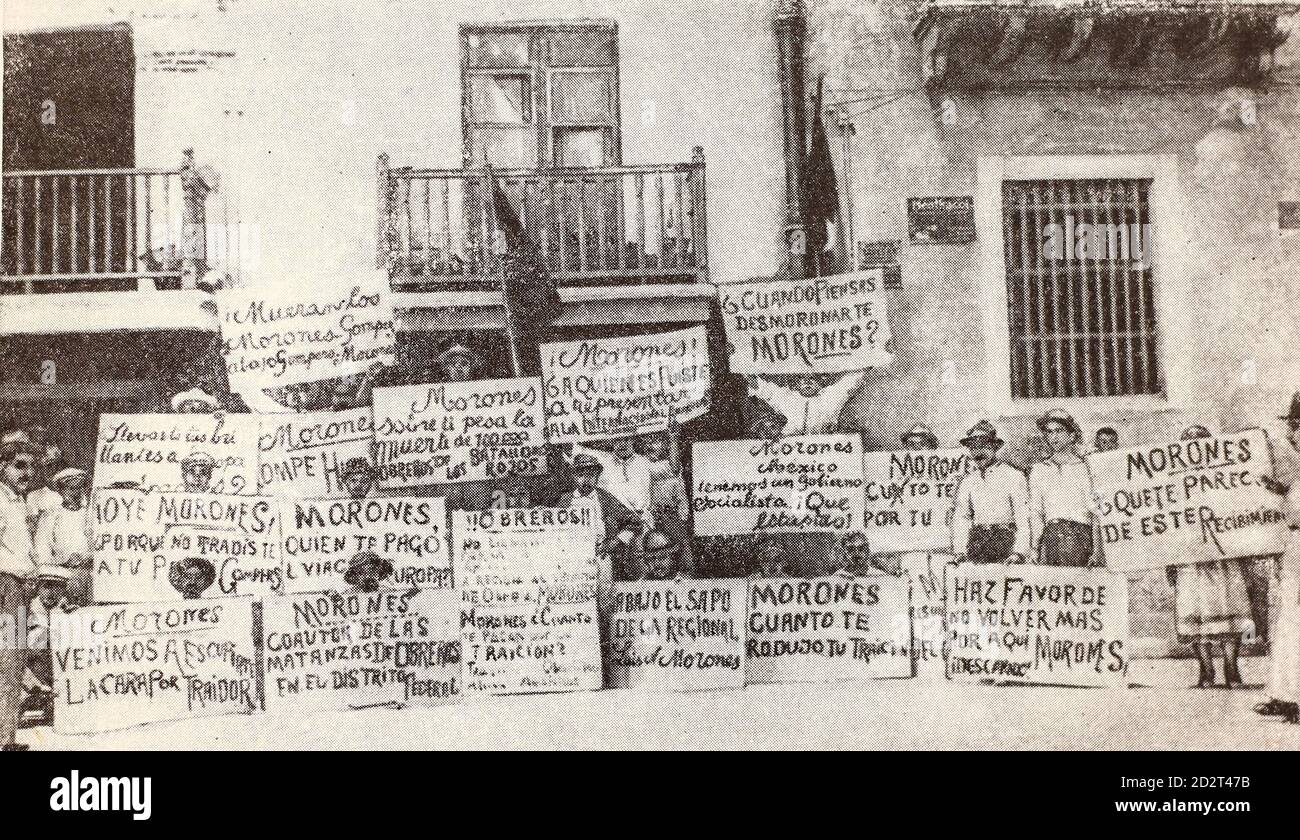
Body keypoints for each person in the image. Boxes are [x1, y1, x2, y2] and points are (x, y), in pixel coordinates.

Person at [1165, 424, 1252, 688]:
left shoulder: (1226, 479)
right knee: (1193, 612)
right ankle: (1205, 669)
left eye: (1200, 443)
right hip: (1190, 560)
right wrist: (1169, 559)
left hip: (1223, 560)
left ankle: (1231, 667)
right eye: (1188, 443)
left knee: (1230, 610)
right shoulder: (1172, 486)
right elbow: (1164, 527)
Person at [1257, 394, 1300, 722]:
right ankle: (1285, 693)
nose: (1294, 432)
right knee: (1289, 618)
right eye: (1294, 424)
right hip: (1295, 544)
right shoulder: (1293, 468)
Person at [0, 434, 38, 751]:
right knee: (8, 661)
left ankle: (7, 737)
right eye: (19, 466)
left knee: (13, 662)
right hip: (5, 585)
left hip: (18, 585)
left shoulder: (17, 500)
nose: (26, 473)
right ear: (3, 466)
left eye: (30, 467)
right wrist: (22, 570)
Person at [952, 420, 1030, 565]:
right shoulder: (967, 482)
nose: (978, 452)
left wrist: (1019, 553)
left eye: (984, 446)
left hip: (1005, 545)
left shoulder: (1014, 476)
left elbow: (1023, 518)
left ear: (994, 447)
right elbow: (962, 518)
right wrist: (960, 551)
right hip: (977, 546)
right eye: (973, 447)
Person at [556, 453, 641, 583]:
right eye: (581, 475)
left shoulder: (606, 499)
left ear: (597, 477)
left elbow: (635, 523)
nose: (586, 480)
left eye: (590, 475)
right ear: (574, 476)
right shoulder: (565, 501)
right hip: (571, 559)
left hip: (601, 556)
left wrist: (616, 541)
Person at [1028, 409, 1098, 567]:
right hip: (1051, 538)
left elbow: (1095, 512)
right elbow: (1036, 513)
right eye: (1049, 432)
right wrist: (1034, 549)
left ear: (1072, 435)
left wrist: (1097, 550)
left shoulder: (1085, 468)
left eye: (1059, 431)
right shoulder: (1039, 469)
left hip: (1081, 537)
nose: (1054, 437)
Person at [34, 468, 93, 606]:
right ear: (61, 490)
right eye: (71, 488)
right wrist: (65, 560)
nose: (76, 493)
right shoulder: (51, 516)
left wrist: (88, 557)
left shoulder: (90, 515)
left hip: (90, 577)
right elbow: (41, 552)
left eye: (79, 488)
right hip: (61, 580)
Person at [746, 370, 869, 436]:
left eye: (812, 378)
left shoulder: (830, 396)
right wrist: (737, 360)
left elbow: (853, 380)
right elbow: (759, 387)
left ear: (821, 381)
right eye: (802, 378)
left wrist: (876, 355)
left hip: (824, 453)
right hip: (790, 452)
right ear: (796, 382)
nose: (807, 382)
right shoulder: (785, 397)